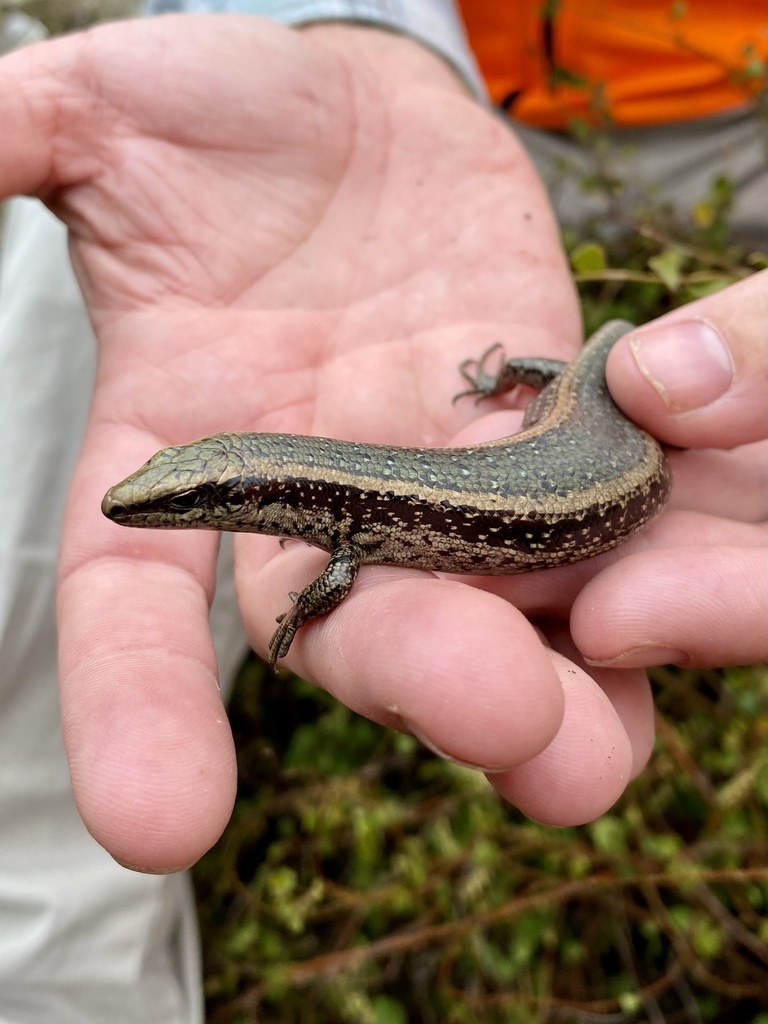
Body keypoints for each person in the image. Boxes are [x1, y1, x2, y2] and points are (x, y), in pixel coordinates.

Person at [0, 4, 765, 1021]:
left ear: (259, 494)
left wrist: (302, 607)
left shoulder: (343, 525)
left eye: (195, 498)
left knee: (594, 375)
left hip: (711, 177)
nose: (169, 508)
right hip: (483, 88)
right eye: (181, 492)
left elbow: (342, 569)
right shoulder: (336, 506)